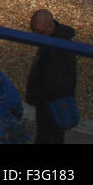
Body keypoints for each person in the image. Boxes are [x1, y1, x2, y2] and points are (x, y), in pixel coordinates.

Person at [26, 10, 77, 144]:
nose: (36, 36)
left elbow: (54, 80)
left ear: (50, 27)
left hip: (52, 102)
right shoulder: (56, 42)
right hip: (51, 101)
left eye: (40, 32)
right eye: (34, 31)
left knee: (50, 137)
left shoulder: (58, 48)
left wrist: (36, 95)